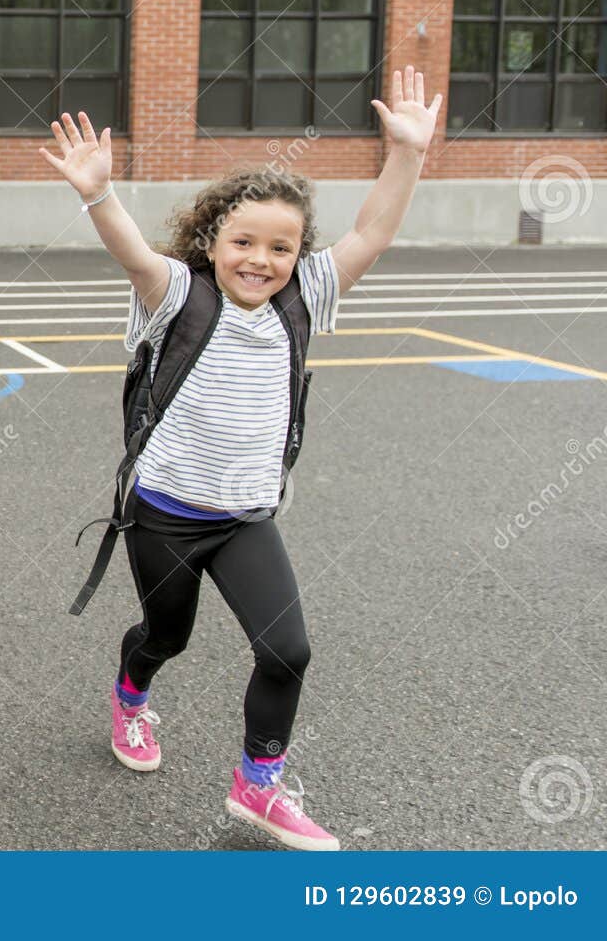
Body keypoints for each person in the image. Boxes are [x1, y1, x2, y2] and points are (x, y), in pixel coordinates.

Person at [45, 68, 442, 850]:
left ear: (300, 253)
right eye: (244, 242)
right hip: (163, 515)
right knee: (168, 636)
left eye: (281, 247)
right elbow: (131, 251)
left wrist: (407, 156)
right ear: (212, 240)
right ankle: (132, 692)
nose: (261, 259)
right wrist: (97, 193)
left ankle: (256, 785)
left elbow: (372, 233)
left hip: (246, 518)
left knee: (288, 649)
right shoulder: (176, 295)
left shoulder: (304, 297)